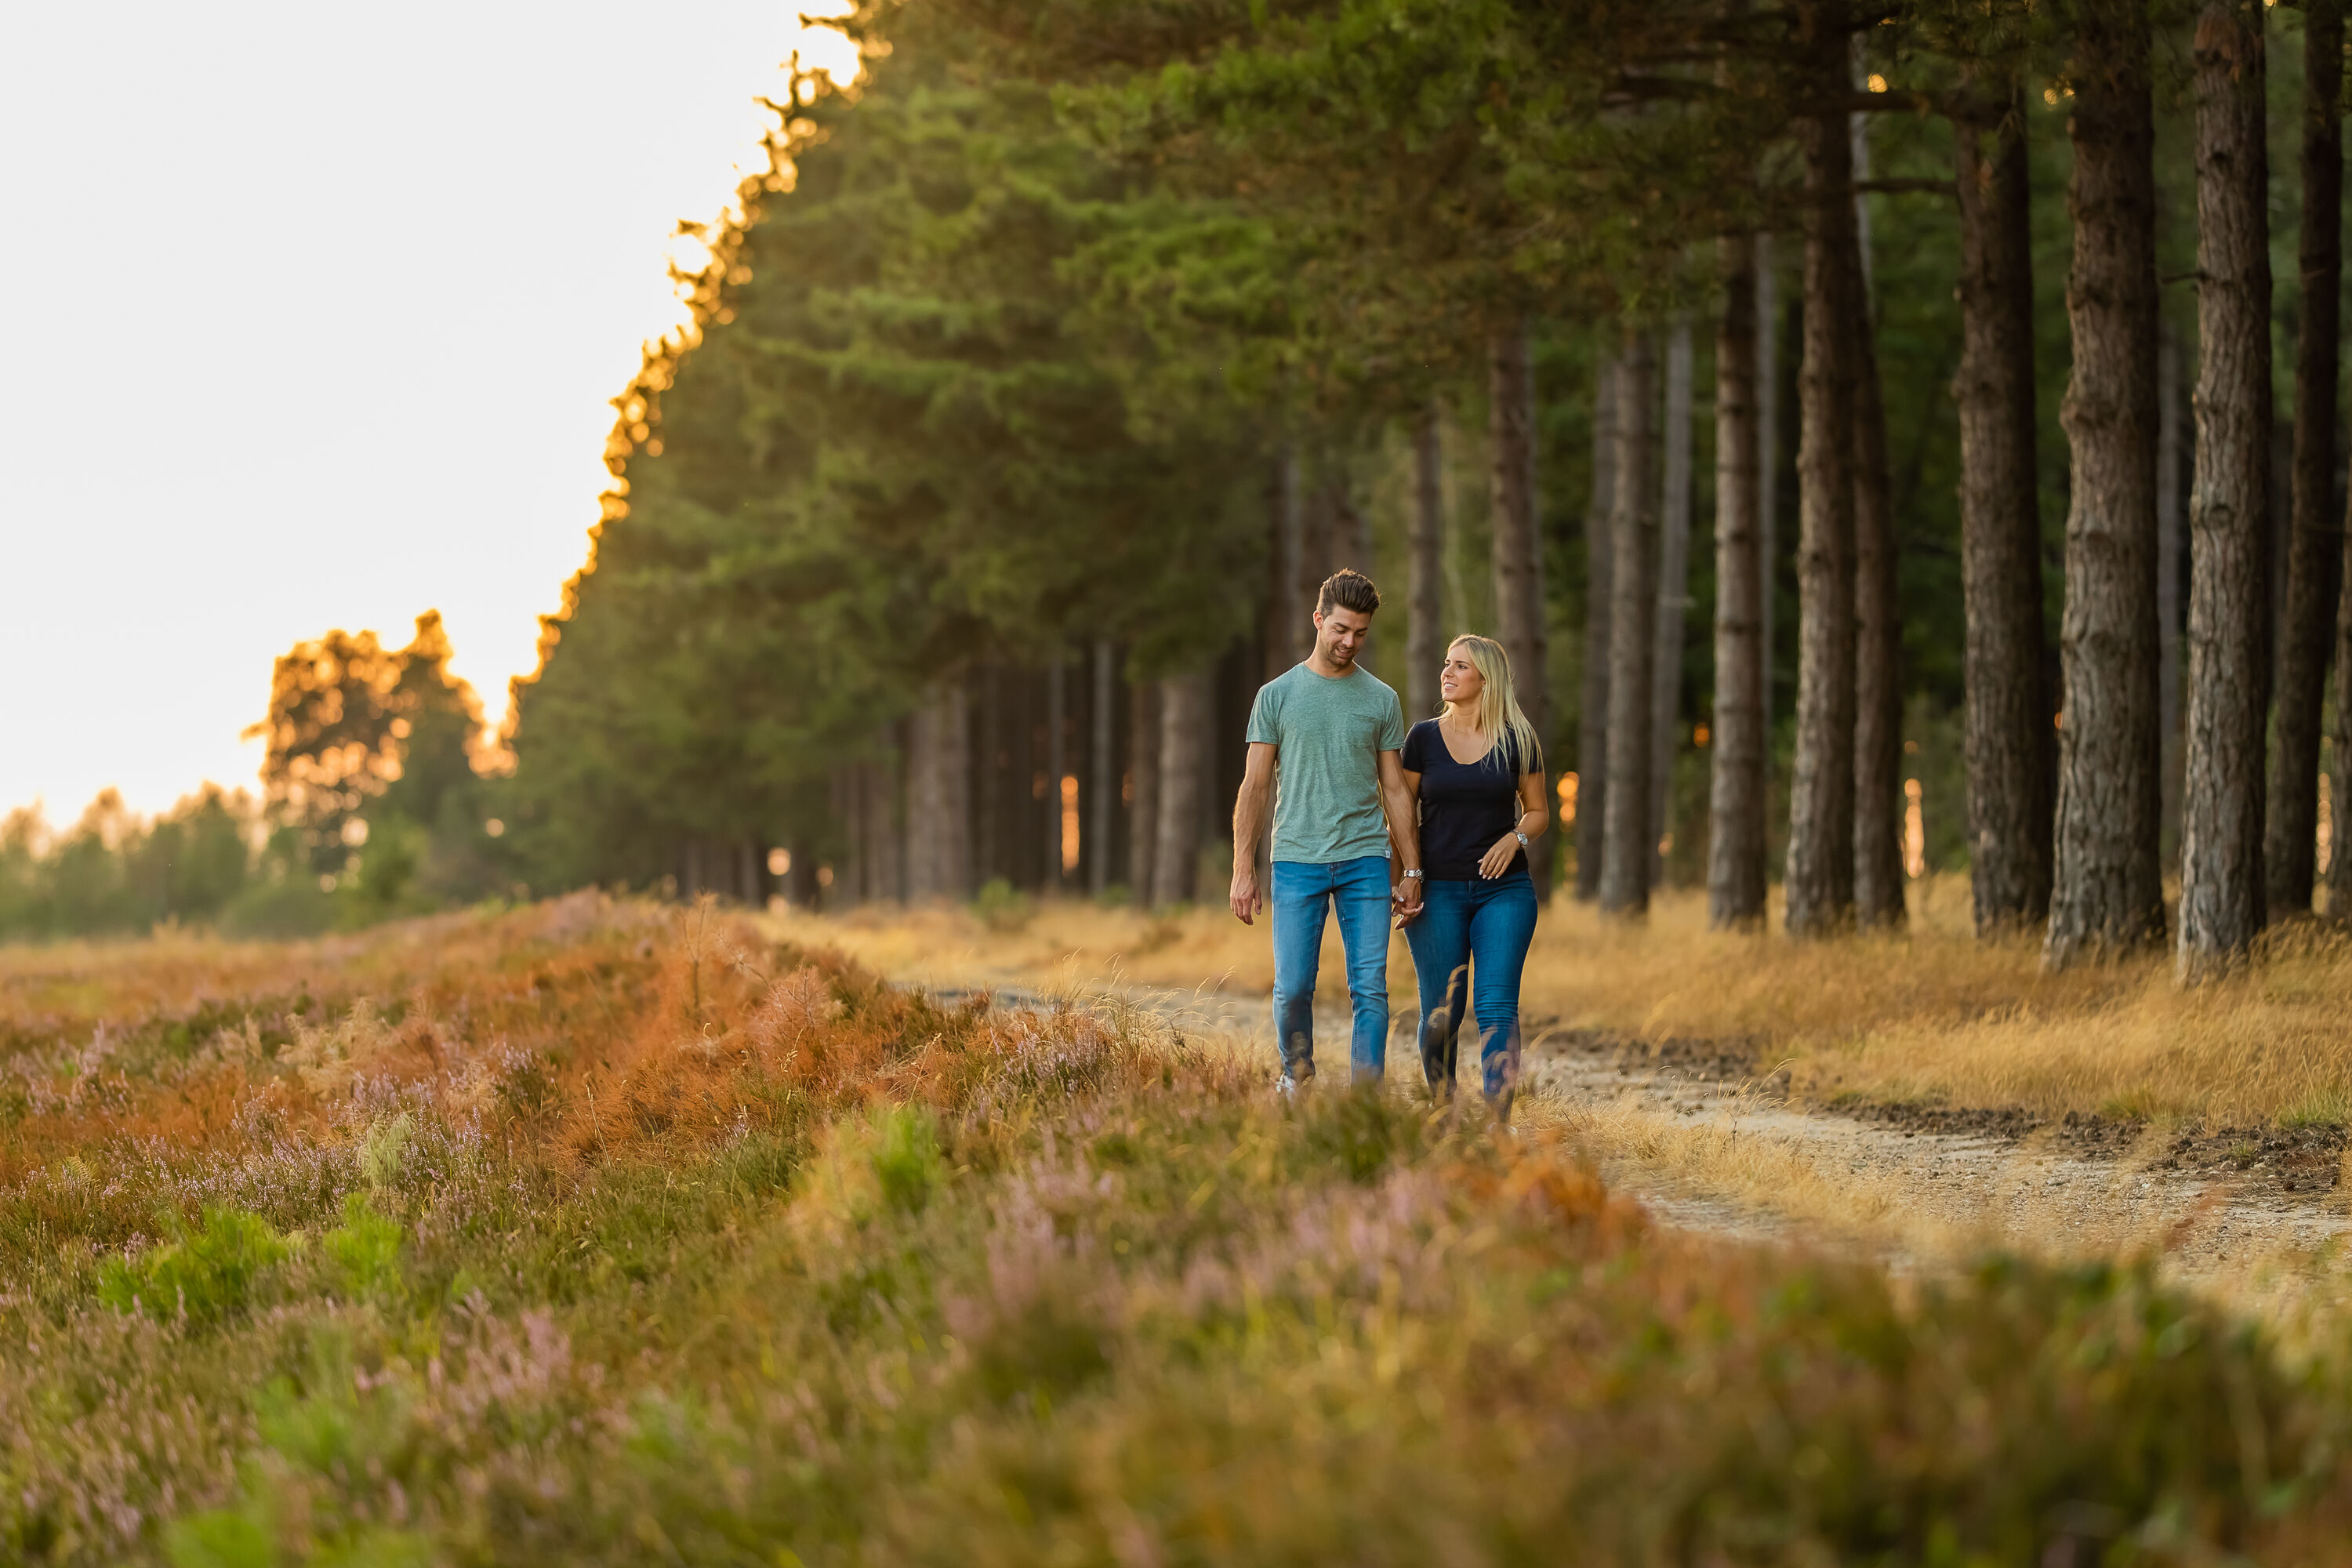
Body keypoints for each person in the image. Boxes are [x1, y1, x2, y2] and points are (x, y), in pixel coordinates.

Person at [1231, 569, 1423, 1091]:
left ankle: (1365, 1102)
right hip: (1295, 858)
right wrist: (1242, 870)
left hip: (1364, 857)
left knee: (1371, 991)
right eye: (1340, 629)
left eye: (1360, 633)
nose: (1349, 642)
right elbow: (1254, 788)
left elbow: (1396, 791)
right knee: (1292, 989)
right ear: (1318, 620)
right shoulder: (1277, 696)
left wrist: (1411, 869)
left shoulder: (1380, 699)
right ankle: (1297, 1078)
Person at [1397, 634, 1549, 1123]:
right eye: (1446, 664)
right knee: (1442, 1013)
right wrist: (1405, 880)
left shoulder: (1519, 738)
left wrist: (1516, 839)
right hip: (1437, 890)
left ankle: (1498, 1124)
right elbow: (1400, 815)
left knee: (1498, 1007)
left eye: (1459, 666)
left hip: (1504, 893)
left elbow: (1539, 811)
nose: (1446, 672)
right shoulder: (1421, 738)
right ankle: (1444, 1111)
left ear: (1486, 679)